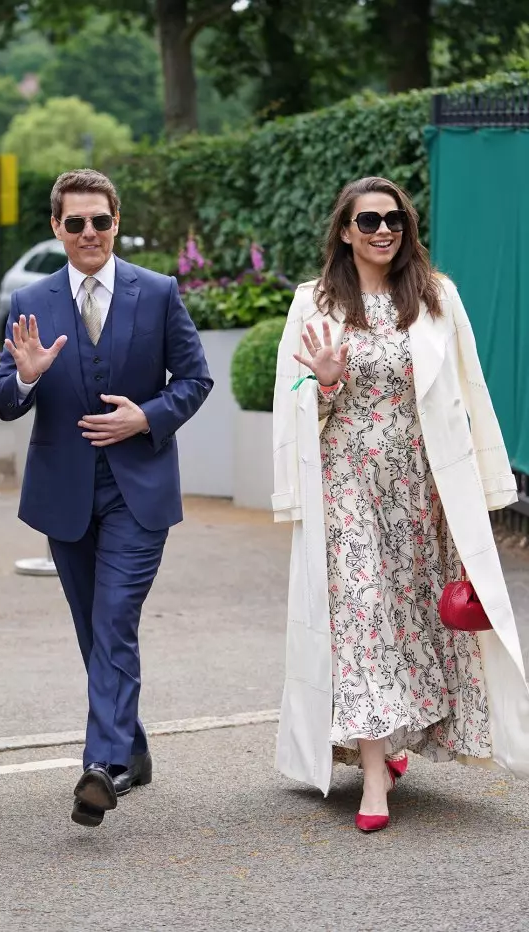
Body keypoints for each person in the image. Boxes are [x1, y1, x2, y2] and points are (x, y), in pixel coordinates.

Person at [272, 175, 529, 831]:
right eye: (368, 221)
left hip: (422, 490)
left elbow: (469, 392)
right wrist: (324, 385)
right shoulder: (315, 303)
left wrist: (490, 488)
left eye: (395, 220)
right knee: (362, 618)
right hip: (347, 484)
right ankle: (375, 780)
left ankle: (387, 738)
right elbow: (294, 406)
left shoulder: (437, 298)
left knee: (412, 623)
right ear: (344, 231)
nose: (383, 230)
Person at [0, 169, 212, 827]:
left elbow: (195, 379)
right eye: (76, 222)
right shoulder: (32, 298)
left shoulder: (159, 292)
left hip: (137, 490)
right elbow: (4, 399)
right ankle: (134, 751)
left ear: (116, 222)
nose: (90, 233)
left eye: (101, 221)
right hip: (63, 494)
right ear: (57, 228)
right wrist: (25, 379)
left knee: (114, 619)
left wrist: (146, 417)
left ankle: (101, 766)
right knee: (95, 628)